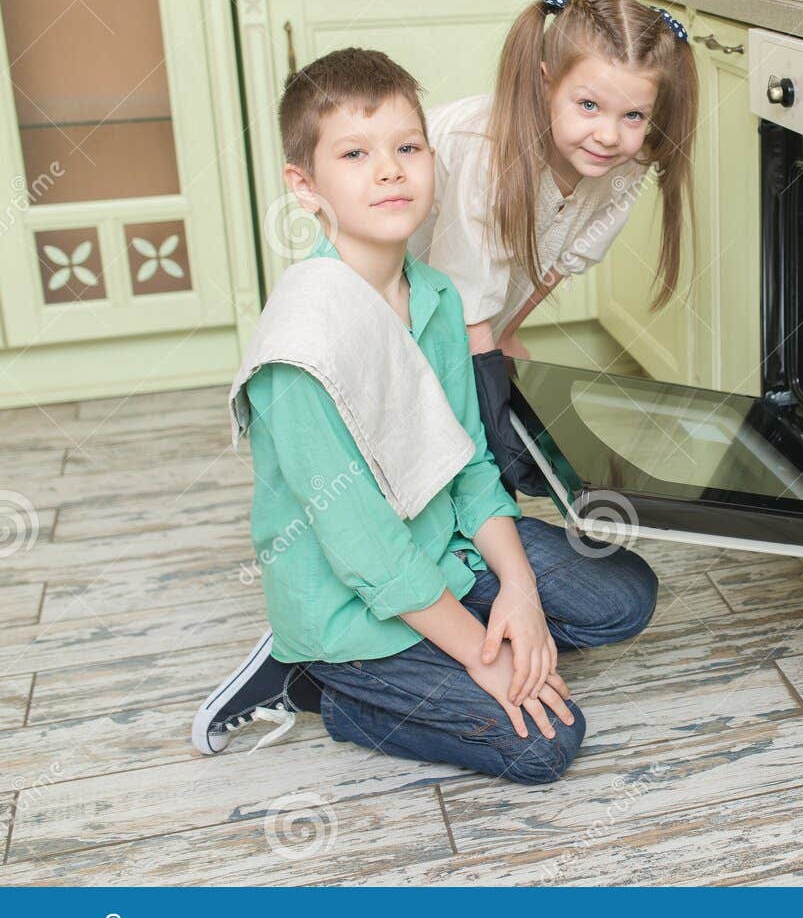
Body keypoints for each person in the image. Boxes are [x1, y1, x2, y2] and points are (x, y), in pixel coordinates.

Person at [191, 47, 657, 785]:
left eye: (408, 148)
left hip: (444, 548)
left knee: (623, 596)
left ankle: (459, 641)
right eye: (355, 153)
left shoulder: (434, 296)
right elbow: (367, 550)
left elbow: (470, 463)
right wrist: (483, 652)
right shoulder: (302, 345)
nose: (389, 170)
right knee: (546, 741)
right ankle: (323, 684)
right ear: (304, 186)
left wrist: (520, 593)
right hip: (357, 602)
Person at [412, 0, 698, 365]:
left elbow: (559, 263)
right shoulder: (489, 154)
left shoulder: (627, 165)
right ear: (546, 83)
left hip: (460, 293)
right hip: (389, 253)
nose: (609, 136)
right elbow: (464, 297)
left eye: (633, 115)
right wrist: (486, 372)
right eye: (589, 105)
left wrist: (507, 332)